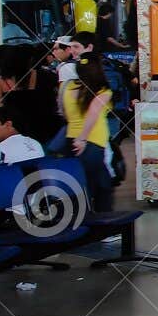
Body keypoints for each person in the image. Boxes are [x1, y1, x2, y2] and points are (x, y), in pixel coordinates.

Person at [61, 54, 114, 210]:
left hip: (70, 140)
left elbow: (64, 112)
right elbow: (93, 112)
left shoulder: (67, 87)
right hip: (93, 143)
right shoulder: (103, 91)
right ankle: (102, 221)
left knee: (78, 186)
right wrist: (82, 139)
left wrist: (77, 137)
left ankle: (80, 218)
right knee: (101, 188)